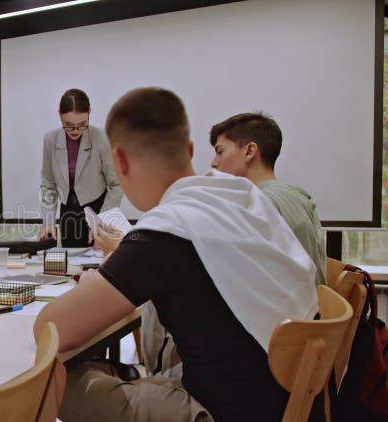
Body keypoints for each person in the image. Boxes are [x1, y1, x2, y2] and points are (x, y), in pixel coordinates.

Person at [33, 87, 319, 421]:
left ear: (120, 161)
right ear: (190, 150)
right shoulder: (242, 199)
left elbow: (49, 329)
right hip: (282, 397)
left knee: (52, 382)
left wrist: (98, 279)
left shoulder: (165, 232)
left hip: (220, 411)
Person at [210, 112, 326, 285]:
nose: (214, 163)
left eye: (220, 152)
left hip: (286, 311)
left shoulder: (260, 204)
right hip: (311, 308)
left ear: (249, 151)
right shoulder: (298, 196)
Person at [39, 88, 123, 247]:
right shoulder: (50, 139)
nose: (76, 131)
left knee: (101, 262)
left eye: (82, 124)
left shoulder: (103, 138)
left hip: (100, 207)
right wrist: (48, 220)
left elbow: (116, 184)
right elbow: (48, 184)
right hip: (68, 211)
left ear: (89, 113)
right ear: (60, 116)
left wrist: (102, 220)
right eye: (68, 125)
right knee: (73, 264)